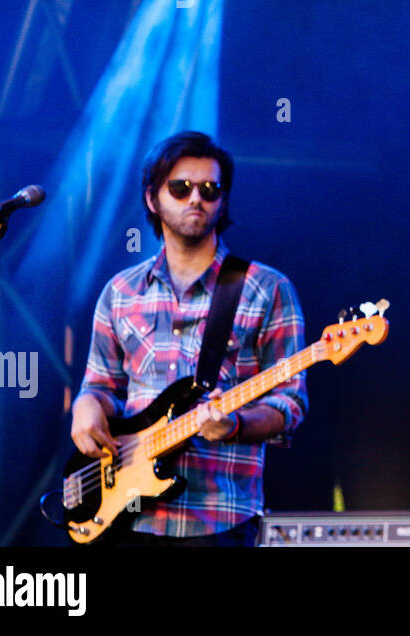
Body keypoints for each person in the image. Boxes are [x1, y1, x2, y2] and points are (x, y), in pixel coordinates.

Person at [70, 131, 307, 546]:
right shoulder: (121, 291)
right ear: (152, 199)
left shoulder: (266, 288)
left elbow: (290, 402)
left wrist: (234, 425)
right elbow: (101, 385)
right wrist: (86, 408)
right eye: (180, 188)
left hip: (219, 518)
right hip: (128, 515)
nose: (196, 198)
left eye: (210, 189)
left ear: (224, 200)